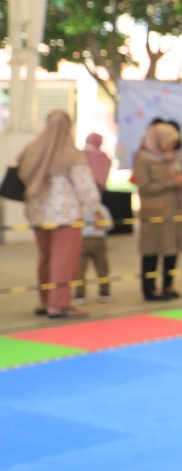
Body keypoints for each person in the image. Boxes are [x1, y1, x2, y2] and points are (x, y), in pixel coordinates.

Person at [19, 110, 103, 319]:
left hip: (37, 214)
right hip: (66, 215)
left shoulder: (31, 150)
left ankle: (45, 301)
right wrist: (96, 211)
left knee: (45, 258)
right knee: (64, 260)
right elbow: (85, 188)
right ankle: (59, 305)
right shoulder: (71, 153)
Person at [134, 121, 182, 301]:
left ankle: (168, 285)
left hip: (175, 209)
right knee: (151, 250)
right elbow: (145, 186)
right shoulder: (143, 158)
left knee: (172, 248)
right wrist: (173, 182)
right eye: (169, 141)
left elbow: (179, 174)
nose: (171, 146)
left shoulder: (172, 157)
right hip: (155, 212)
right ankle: (149, 289)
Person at [73, 201, 115, 304]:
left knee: (80, 269)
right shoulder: (102, 208)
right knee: (102, 267)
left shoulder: (77, 207)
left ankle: (79, 294)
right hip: (99, 240)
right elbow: (109, 225)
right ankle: (105, 292)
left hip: (81, 240)